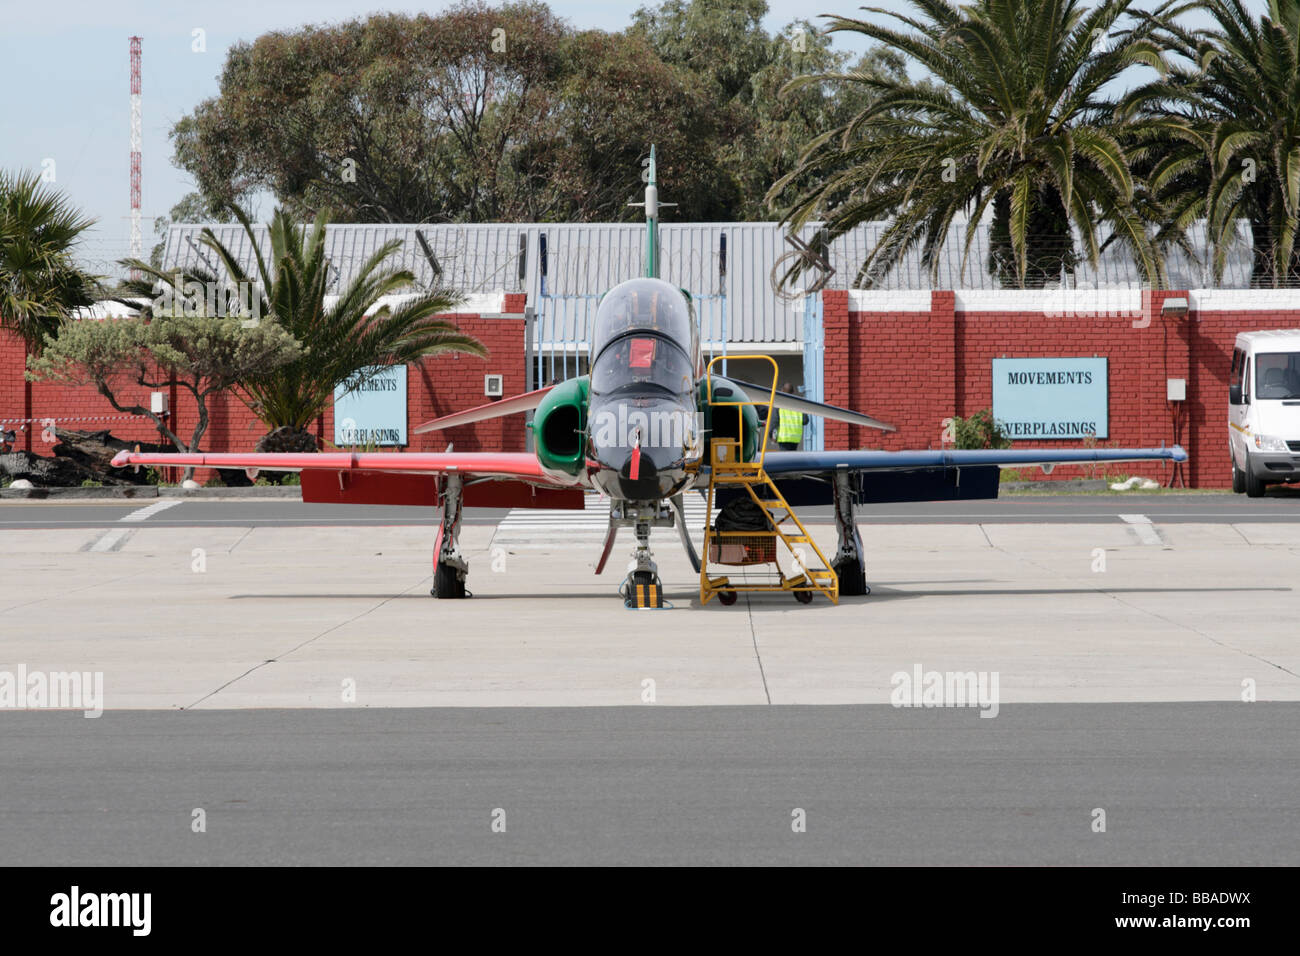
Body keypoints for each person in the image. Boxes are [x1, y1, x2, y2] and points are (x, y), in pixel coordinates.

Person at [774, 382, 807, 451]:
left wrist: (772, 435)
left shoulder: (779, 404)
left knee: (785, 460)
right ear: (793, 392)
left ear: (782, 390)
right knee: (793, 458)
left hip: (783, 438)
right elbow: (805, 421)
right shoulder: (799, 405)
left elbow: (774, 422)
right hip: (795, 438)